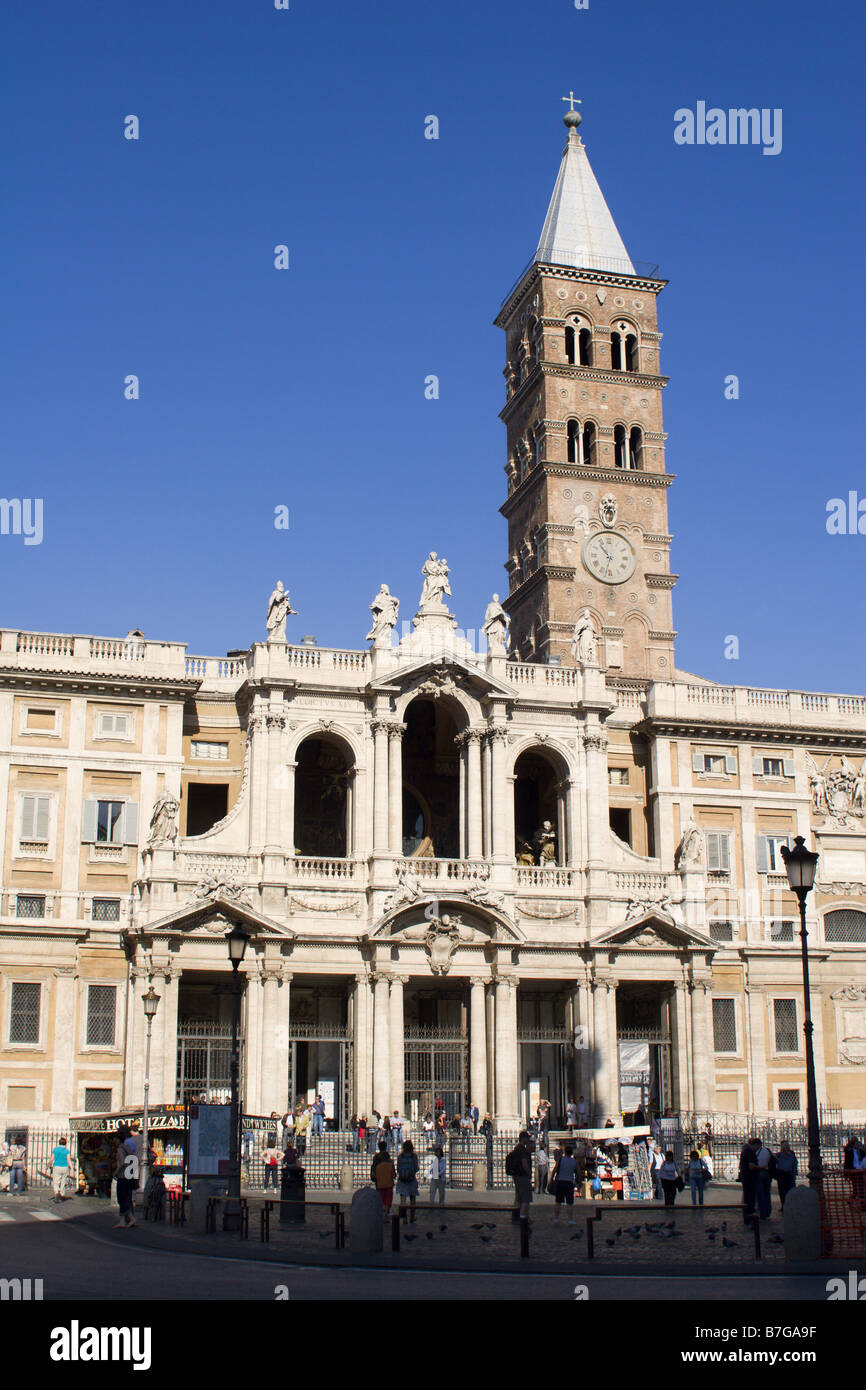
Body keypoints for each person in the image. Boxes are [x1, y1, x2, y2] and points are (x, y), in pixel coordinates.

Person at [506, 1130, 533, 1223]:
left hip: (517, 1175)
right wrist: (529, 1173)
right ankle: (523, 1218)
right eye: (527, 1138)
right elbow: (524, 1163)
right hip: (522, 1176)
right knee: (525, 1199)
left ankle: (516, 1217)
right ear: (524, 1139)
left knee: (519, 1198)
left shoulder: (517, 1149)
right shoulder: (522, 1150)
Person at [114, 1124, 137, 1228]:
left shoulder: (119, 1149)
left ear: (118, 1139)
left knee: (121, 1199)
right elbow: (132, 1155)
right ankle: (122, 1221)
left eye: (115, 1139)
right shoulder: (127, 1147)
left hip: (122, 1176)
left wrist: (115, 1172)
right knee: (125, 1198)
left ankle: (131, 1218)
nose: (114, 1141)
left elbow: (122, 1162)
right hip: (129, 1175)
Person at [552, 1143, 578, 1222]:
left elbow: (555, 1170)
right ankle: (570, 1219)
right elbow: (579, 1172)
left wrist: (551, 1179)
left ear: (565, 1152)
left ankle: (556, 1218)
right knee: (570, 1202)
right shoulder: (574, 1161)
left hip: (560, 1181)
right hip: (569, 1182)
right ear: (572, 1153)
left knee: (558, 1201)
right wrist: (578, 1181)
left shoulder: (561, 1160)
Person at [738, 1136, 761, 1223]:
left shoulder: (745, 1150)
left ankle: (747, 1217)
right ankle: (749, 1217)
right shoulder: (750, 1151)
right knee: (750, 1199)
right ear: (755, 1145)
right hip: (750, 1178)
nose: (757, 1150)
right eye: (757, 1147)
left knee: (747, 1198)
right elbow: (751, 1166)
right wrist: (761, 1167)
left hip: (746, 1177)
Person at [395, 1140, 419, 1222]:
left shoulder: (400, 1156)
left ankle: (404, 1218)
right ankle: (412, 1217)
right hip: (411, 1180)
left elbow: (398, 1168)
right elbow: (416, 1168)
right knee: (412, 1199)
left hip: (402, 1180)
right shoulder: (414, 1156)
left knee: (403, 1200)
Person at [371, 1140, 396, 1217]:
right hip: (388, 1180)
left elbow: (373, 1168)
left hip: (379, 1180)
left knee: (380, 1196)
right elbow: (393, 1172)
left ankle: (381, 1210)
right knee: (388, 1197)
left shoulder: (376, 1157)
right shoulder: (388, 1159)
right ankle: (386, 1211)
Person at [754, 1136, 773, 1218]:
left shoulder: (756, 1152)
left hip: (759, 1173)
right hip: (767, 1173)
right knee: (767, 1193)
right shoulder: (767, 1151)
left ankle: (763, 1212)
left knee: (760, 1194)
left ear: (757, 1145)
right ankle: (768, 1211)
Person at [774, 1141, 798, 1207]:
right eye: (784, 1146)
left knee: (791, 1190)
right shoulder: (778, 1155)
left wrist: (795, 1173)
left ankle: (791, 1205)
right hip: (782, 1173)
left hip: (789, 1173)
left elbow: (795, 1164)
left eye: (786, 1146)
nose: (785, 1148)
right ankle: (784, 1205)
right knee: (782, 1191)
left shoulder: (791, 1154)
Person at [51, 1136, 72, 1202]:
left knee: (56, 1182)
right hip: (65, 1167)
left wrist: (48, 1164)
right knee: (63, 1181)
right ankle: (62, 1194)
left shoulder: (55, 1149)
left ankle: (57, 1193)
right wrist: (71, 1168)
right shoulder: (67, 1151)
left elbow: (52, 1159)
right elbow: (68, 1160)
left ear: (59, 1143)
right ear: (65, 1143)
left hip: (57, 1166)